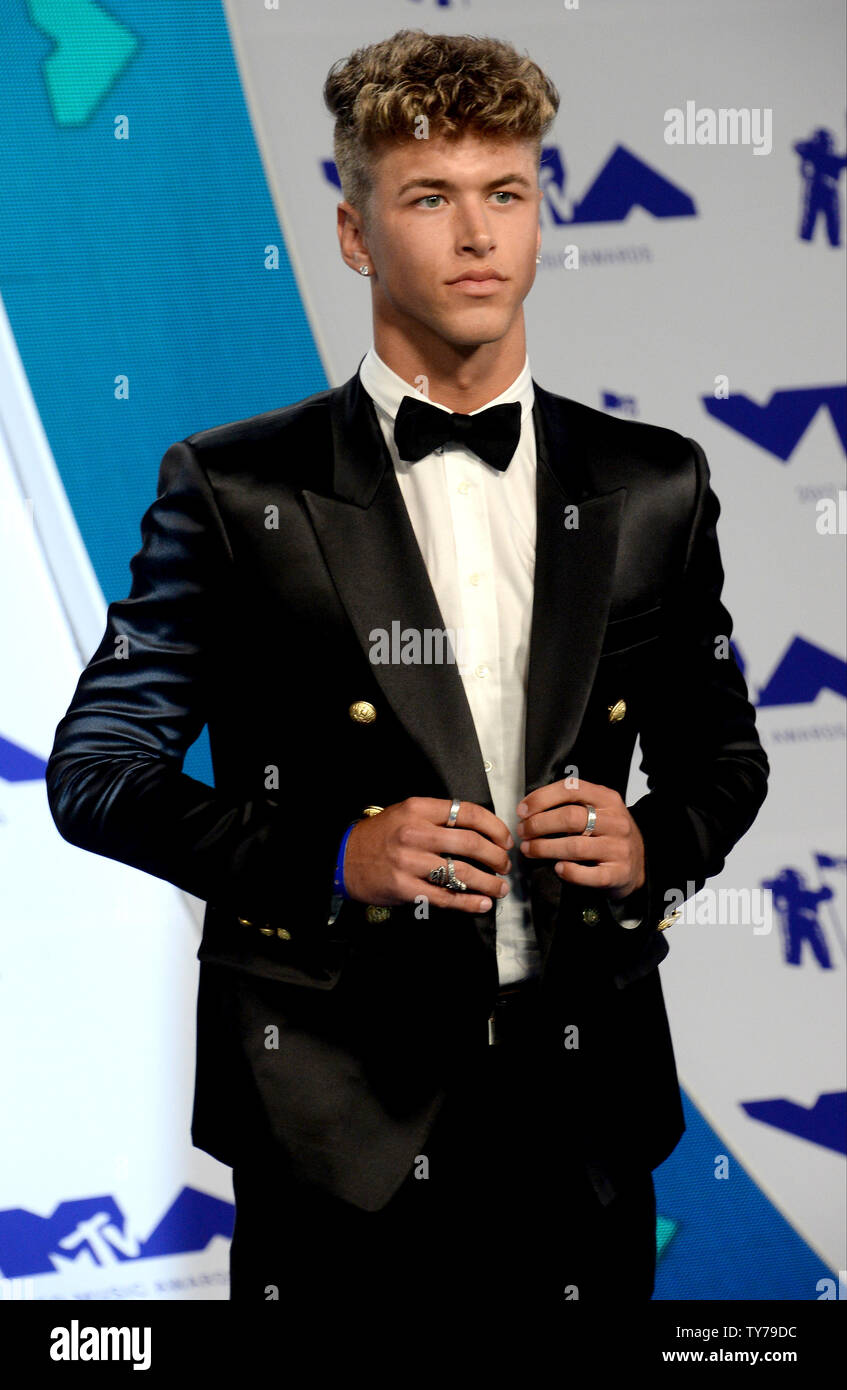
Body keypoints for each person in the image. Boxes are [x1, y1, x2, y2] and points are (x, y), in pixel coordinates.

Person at [45, 29, 769, 1316]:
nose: (478, 234)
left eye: (506, 193)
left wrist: (651, 841)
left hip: (581, 1107)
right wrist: (330, 853)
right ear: (353, 233)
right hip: (334, 1116)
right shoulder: (234, 489)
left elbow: (722, 756)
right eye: (430, 198)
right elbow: (96, 774)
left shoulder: (654, 482)